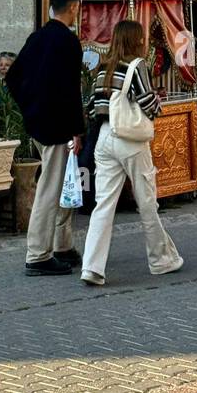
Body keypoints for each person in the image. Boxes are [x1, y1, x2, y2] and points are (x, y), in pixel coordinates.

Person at [80, 19, 183, 287]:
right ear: (136, 40)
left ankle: (92, 267)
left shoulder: (102, 69)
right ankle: (161, 260)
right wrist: (157, 105)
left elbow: (92, 108)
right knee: (146, 201)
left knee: (103, 205)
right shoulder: (137, 66)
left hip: (103, 138)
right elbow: (148, 102)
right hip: (130, 140)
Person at [6, 0, 86, 276]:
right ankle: (38, 254)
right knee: (50, 190)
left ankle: (62, 245)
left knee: (60, 185)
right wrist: (77, 130)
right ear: (74, 7)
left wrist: (31, 106)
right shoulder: (68, 42)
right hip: (58, 127)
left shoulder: (37, 38)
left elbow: (12, 77)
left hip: (38, 125)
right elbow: (70, 92)